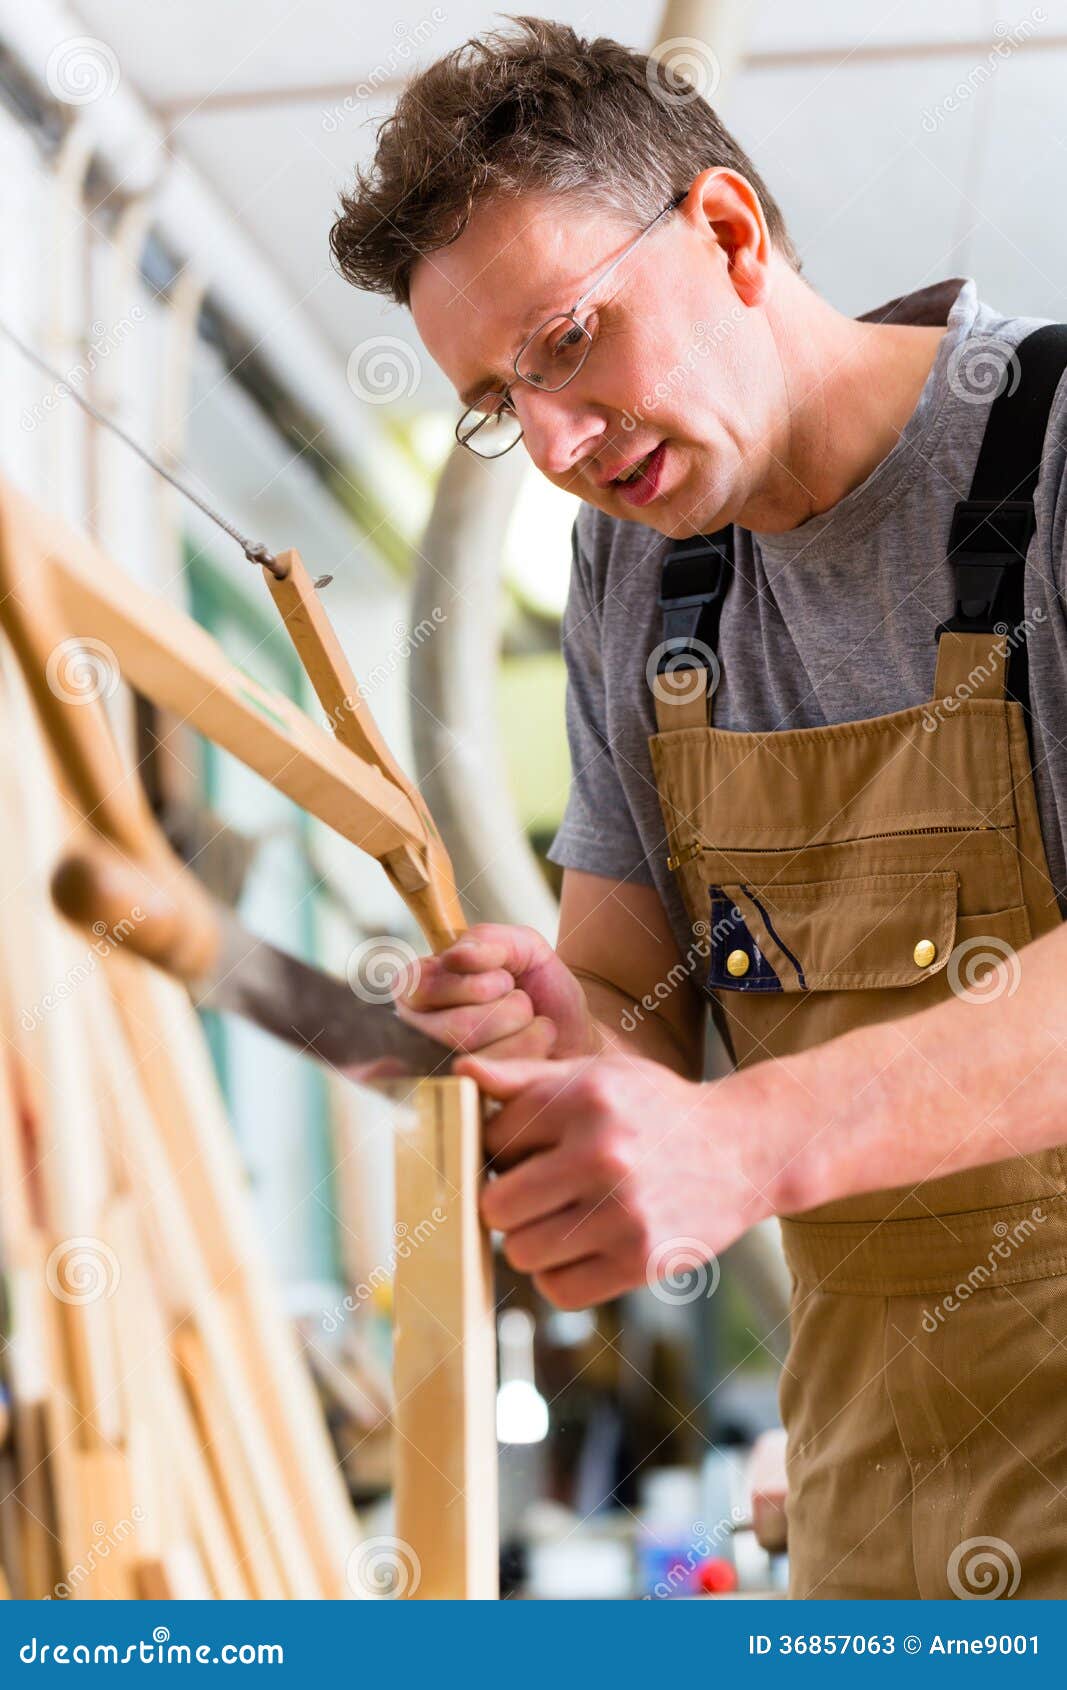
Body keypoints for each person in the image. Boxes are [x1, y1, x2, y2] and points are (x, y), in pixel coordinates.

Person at [330, 19, 1067, 1596]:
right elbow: (629, 1012)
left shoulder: (1055, 455)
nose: (553, 446)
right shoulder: (638, 578)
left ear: (728, 232)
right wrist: (554, 1039)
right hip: (883, 1511)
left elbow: (735, 1129)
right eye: (493, 402)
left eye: (569, 339)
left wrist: (747, 1141)